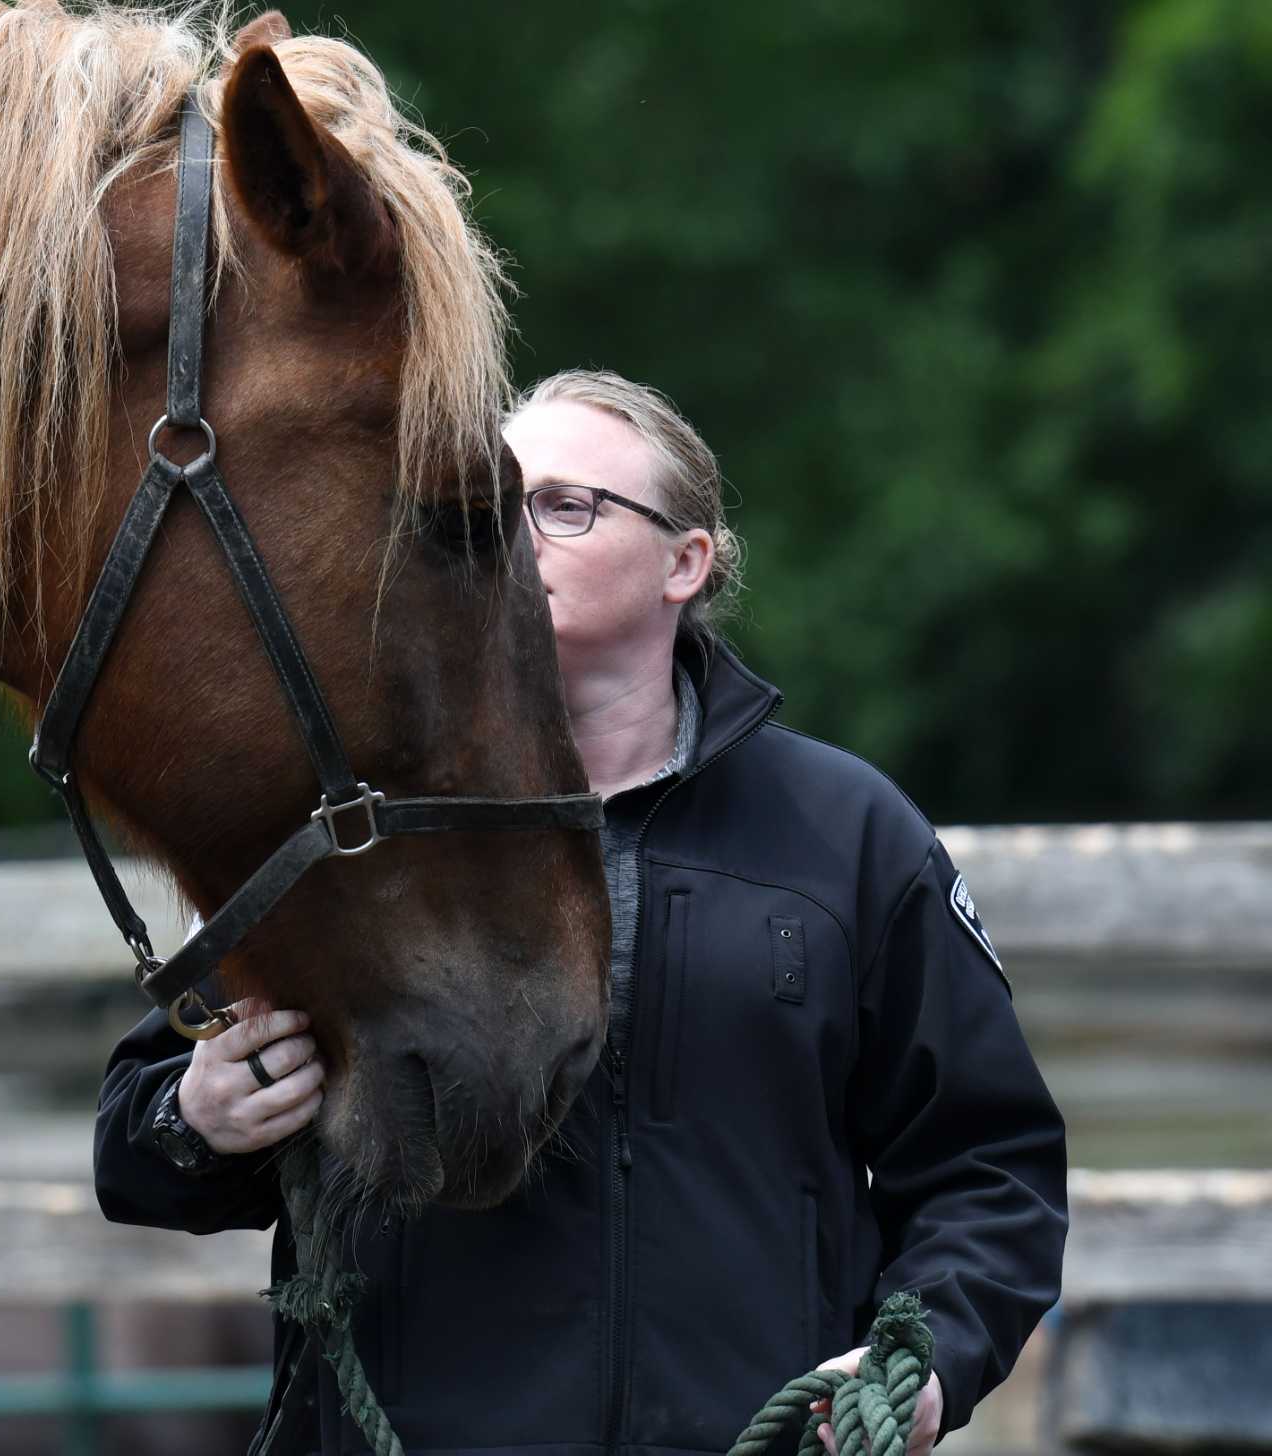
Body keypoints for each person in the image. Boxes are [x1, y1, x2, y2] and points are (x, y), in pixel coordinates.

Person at [94, 368, 1068, 1456]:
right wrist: (198, 1117)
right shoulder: (347, 819)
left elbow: (989, 1171)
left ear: (683, 564)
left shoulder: (847, 837)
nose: (512, 539)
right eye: (491, 508)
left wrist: (921, 1360)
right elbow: (136, 1152)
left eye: (565, 507)